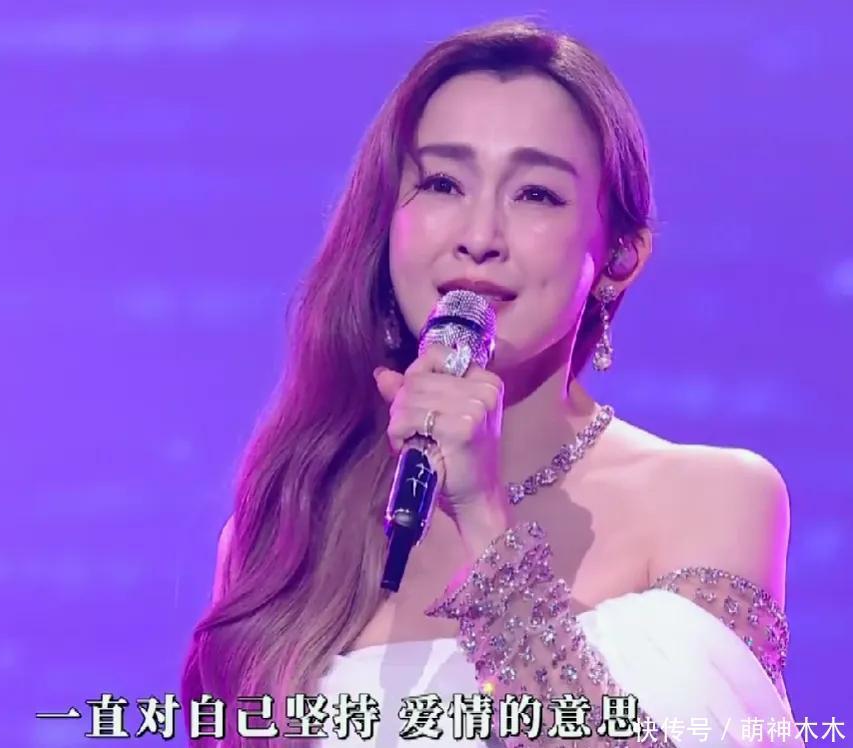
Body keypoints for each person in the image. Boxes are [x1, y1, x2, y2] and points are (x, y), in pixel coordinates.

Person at [182, 19, 800, 748]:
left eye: (535, 194)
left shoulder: (711, 498)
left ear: (617, 257)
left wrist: (483, 518)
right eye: (442, 183)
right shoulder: (288, 527)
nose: (478, 236)